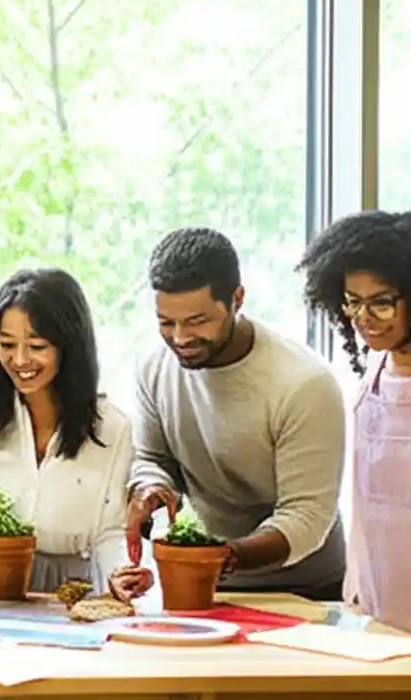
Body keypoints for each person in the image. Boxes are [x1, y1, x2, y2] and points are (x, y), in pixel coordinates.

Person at [126, 227, 346, 600]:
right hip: (206, 583)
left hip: (305, 588)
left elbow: (307, 516)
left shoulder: (303, 383)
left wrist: (225, 556)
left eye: (198, 321)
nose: (180, 338)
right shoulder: (154, 370)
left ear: (237, 299)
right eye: (166, 322)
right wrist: (151, 488)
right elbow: (152, 458)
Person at [0, 269, 152, 600]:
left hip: (73, 592)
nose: (20, 360)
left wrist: (122, 576)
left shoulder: (112, 427)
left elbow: (110, 531)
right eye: (7, 344)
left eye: (37, 346)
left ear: (68, 345)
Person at [298, 210, 411, 631]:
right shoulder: (374, 374)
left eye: (381, 302)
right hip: (378, 613)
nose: (364, 317)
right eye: (352, 301)